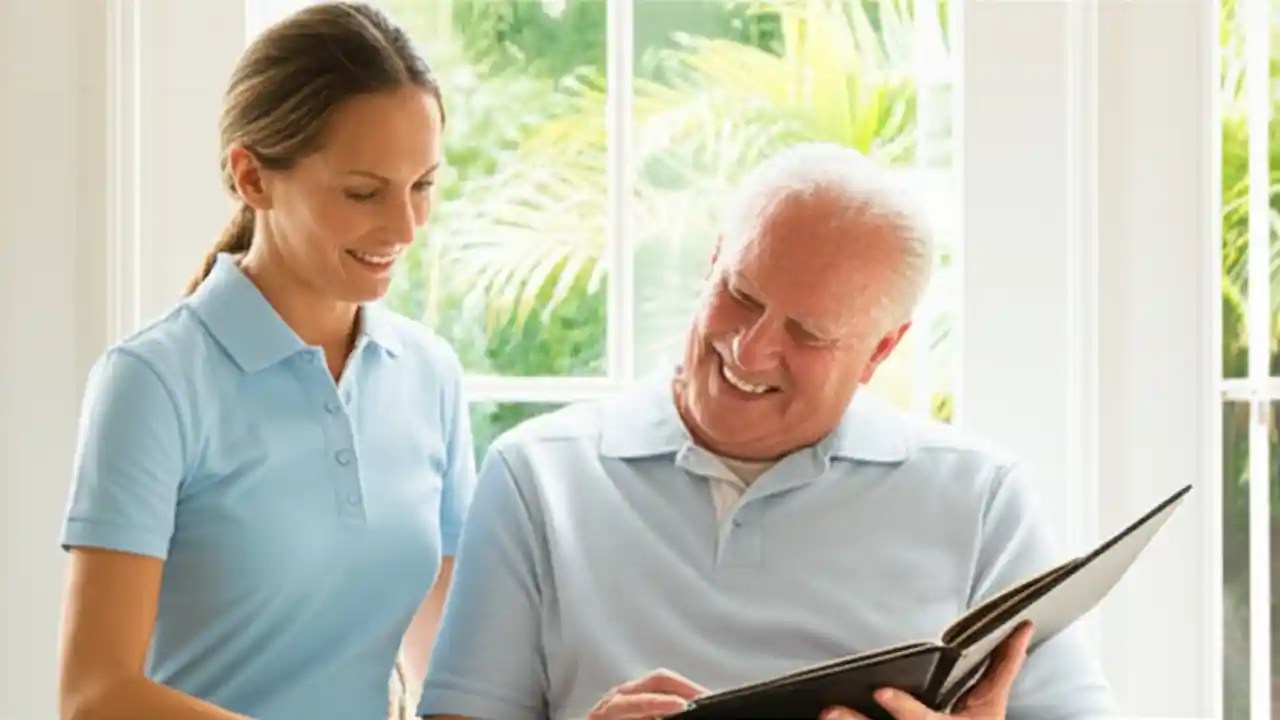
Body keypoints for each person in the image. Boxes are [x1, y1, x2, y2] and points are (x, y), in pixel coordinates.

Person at [417, 143, 1118, 720]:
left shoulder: (980, 497)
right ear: (713, 259)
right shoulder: (538, 476)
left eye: (807, 333)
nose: (749, 351)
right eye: (741, 294)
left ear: (880, 351)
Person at [56, 4, 474, 719]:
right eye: (364, 192)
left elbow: (453, 673)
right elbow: (95, 693)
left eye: (423, 185)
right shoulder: (153, 383)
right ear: (252, 177)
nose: (405, 226)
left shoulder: (428, 374)